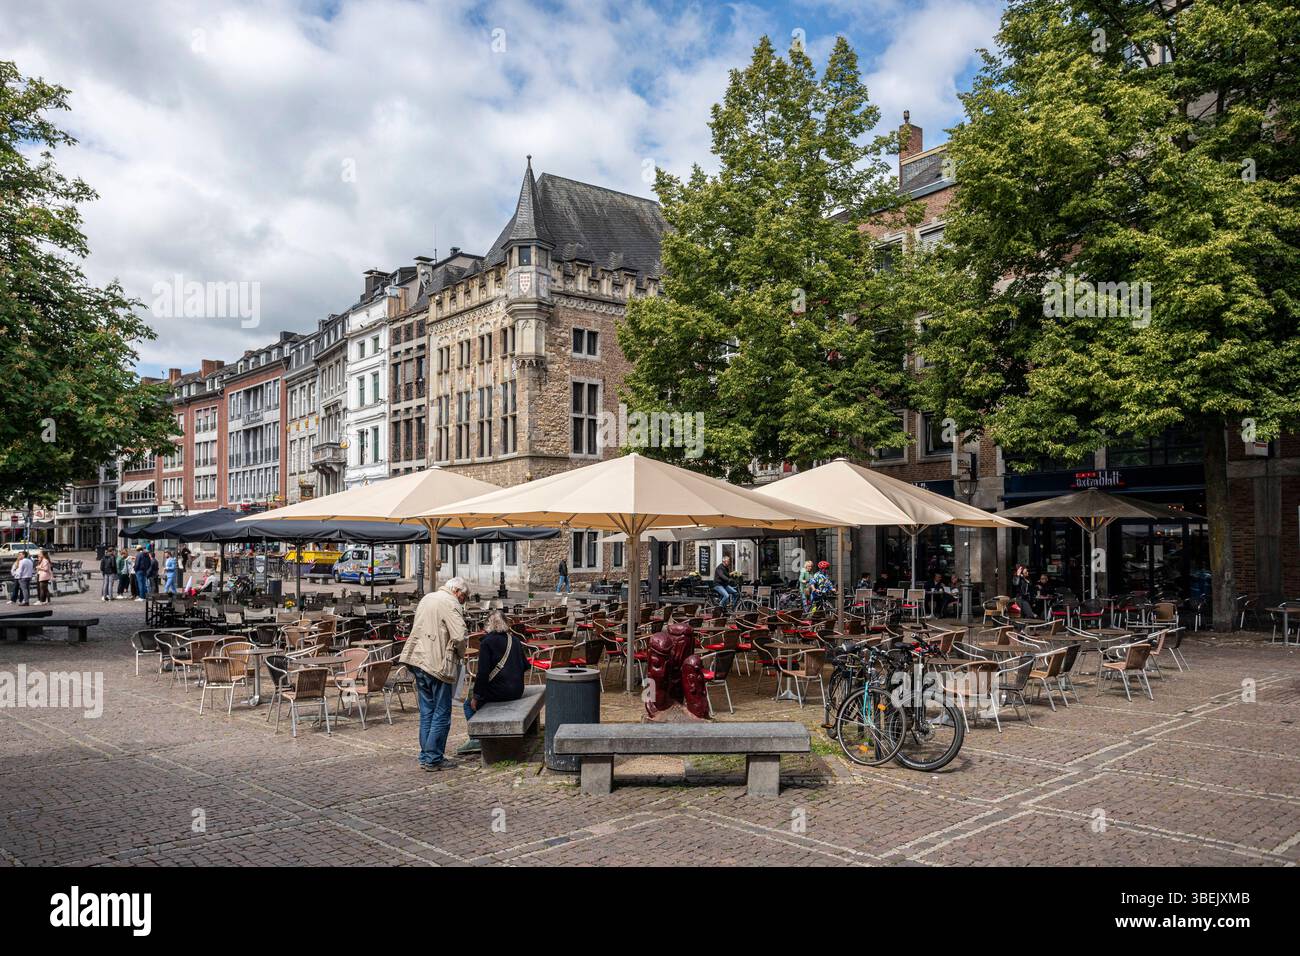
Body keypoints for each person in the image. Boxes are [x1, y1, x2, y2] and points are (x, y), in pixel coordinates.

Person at [398, 576, 469, 771]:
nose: (464, 601)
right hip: (437, 663)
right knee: (441, 712)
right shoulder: (450, 603)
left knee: (427, 711)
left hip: (418, 660)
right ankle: (433, 757)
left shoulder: (428, 598)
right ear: (457, 592)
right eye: (464, 596)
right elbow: (460, 635)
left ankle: (426, 754)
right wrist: (461, 654)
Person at [456, 609, 530, 756]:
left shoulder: (487, 642)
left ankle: (477, 740)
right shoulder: (513, 640)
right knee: (477, 695)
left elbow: (482, 674)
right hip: (517, 690)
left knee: (467, 704)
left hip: (500, 692)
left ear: (489, 624)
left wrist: (476, 696)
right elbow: (526, 666)